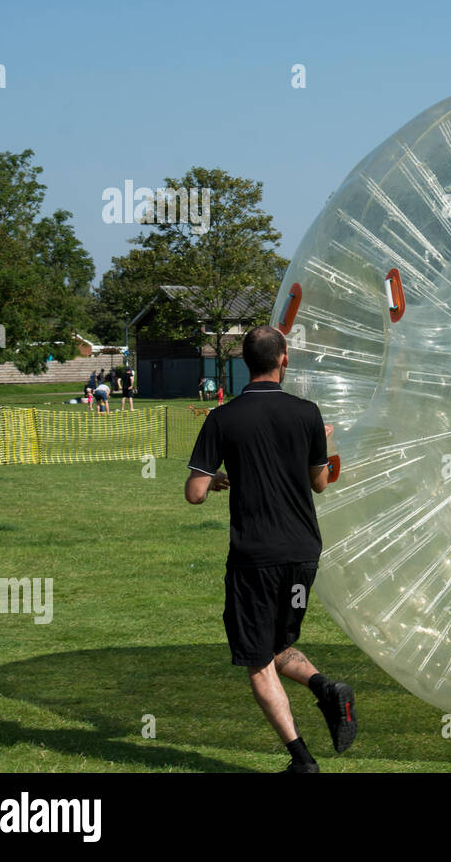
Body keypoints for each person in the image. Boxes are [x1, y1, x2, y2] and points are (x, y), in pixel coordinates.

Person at [184, 324, 357, 773]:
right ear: (284, 359)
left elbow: (195, 493)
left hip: (254, 557)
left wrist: (219, 478)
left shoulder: (222, 417)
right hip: (303, 553)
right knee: (279, 644)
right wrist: (325, 444)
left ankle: (302, 761)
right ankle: (325, 687)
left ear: (245, 362)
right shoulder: (308, 413)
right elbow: (319, 483)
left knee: (258, 661)